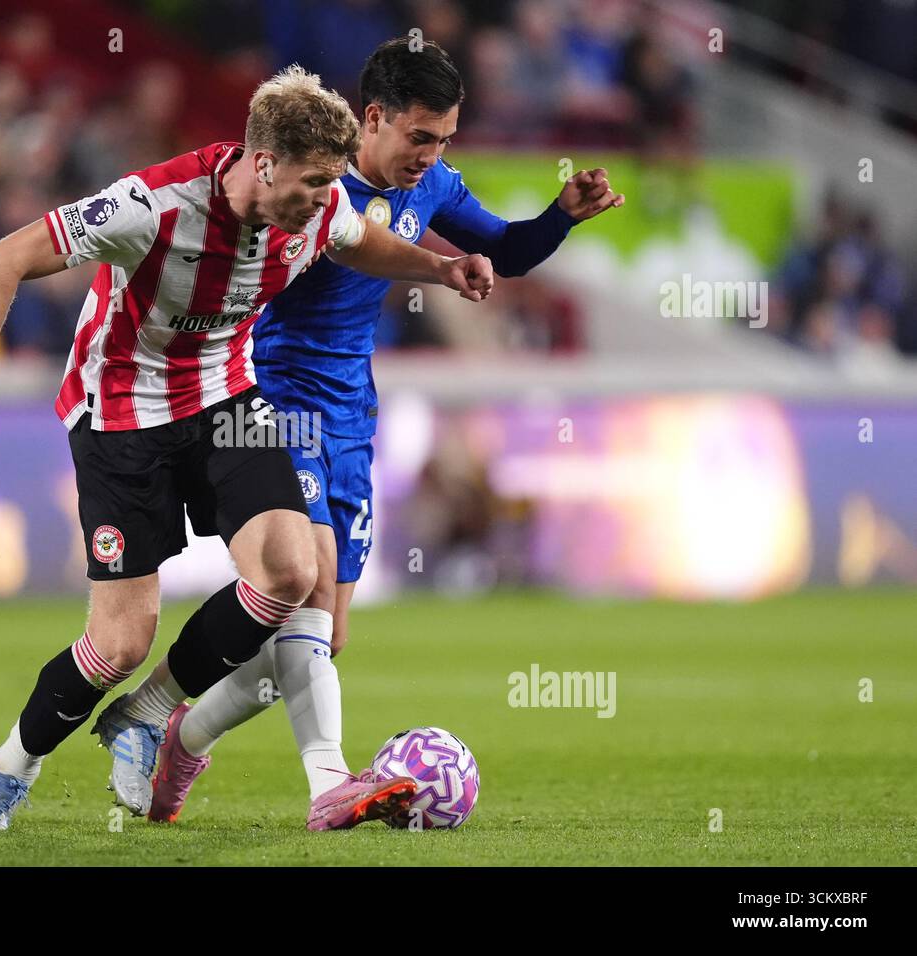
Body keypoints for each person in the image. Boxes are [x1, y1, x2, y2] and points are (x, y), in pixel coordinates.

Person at [0, 65, 494, 830]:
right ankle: (11, 766)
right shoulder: (152, 206)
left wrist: (439, 265)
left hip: (225, 399)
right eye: (307, 186)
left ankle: (150, 715)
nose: (318, 205)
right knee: (120, 642)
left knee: (293, 572)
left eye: (329, 186)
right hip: (122, 416)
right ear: (262, 165)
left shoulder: (321, 203)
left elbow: (358, 239)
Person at [144, 37, 625, 830]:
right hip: (273, 392)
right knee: (307, 585)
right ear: (374, 117)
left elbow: (503, 248)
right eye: (421, 137)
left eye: (445, 140)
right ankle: (327, 783)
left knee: (322, 639)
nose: (432, 156)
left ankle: (183, 735)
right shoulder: (315, 175)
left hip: (349, 412)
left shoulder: (431, 184)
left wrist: (561, 217)